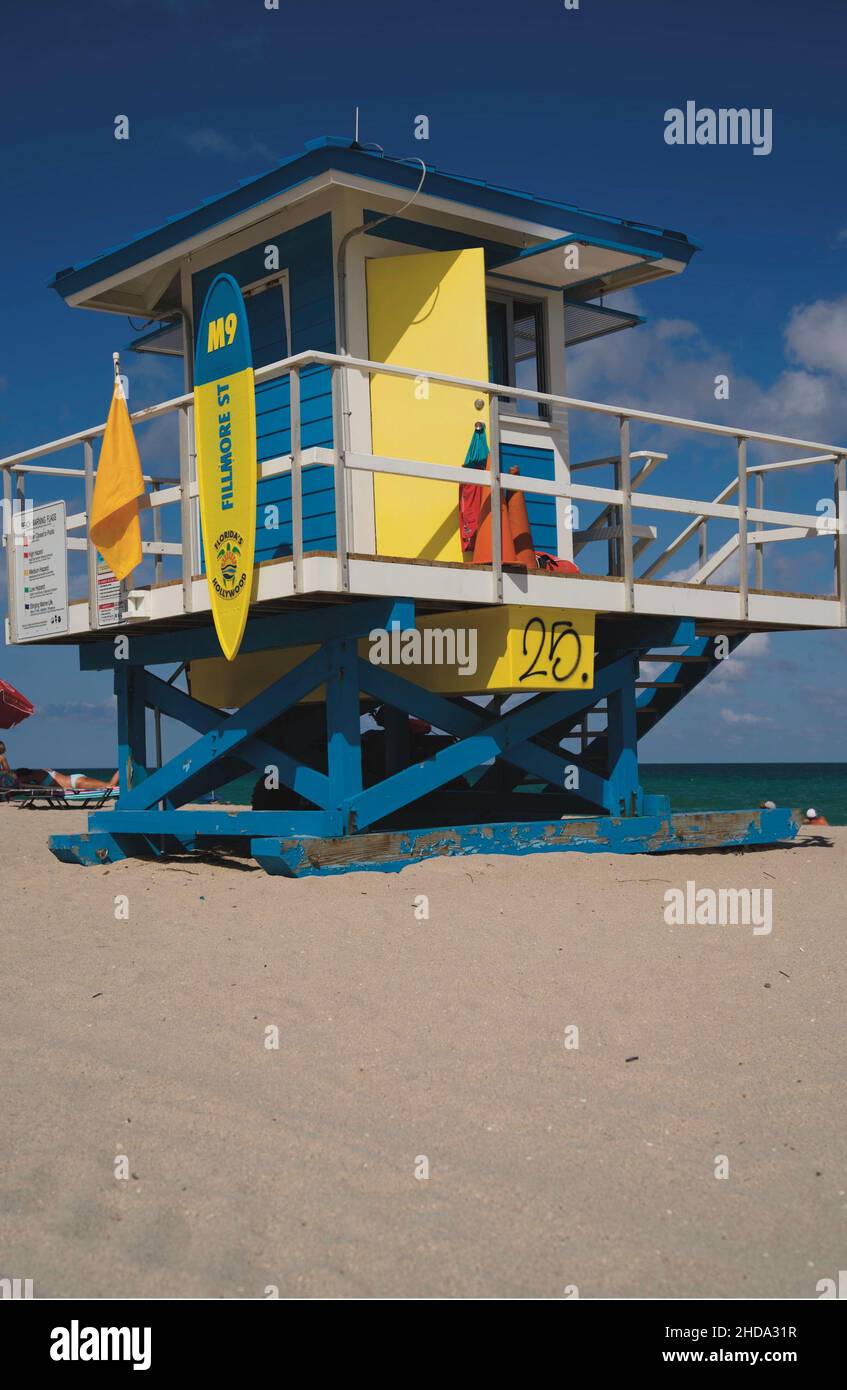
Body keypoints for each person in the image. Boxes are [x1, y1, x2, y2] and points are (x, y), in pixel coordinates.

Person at [16, 768, 119, 792]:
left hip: (75, 783)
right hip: (74, 779)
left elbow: (20, 783)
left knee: (109, 785)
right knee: (108, 784)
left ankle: (123, 766)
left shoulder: (34, 776)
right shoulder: (42, 771)